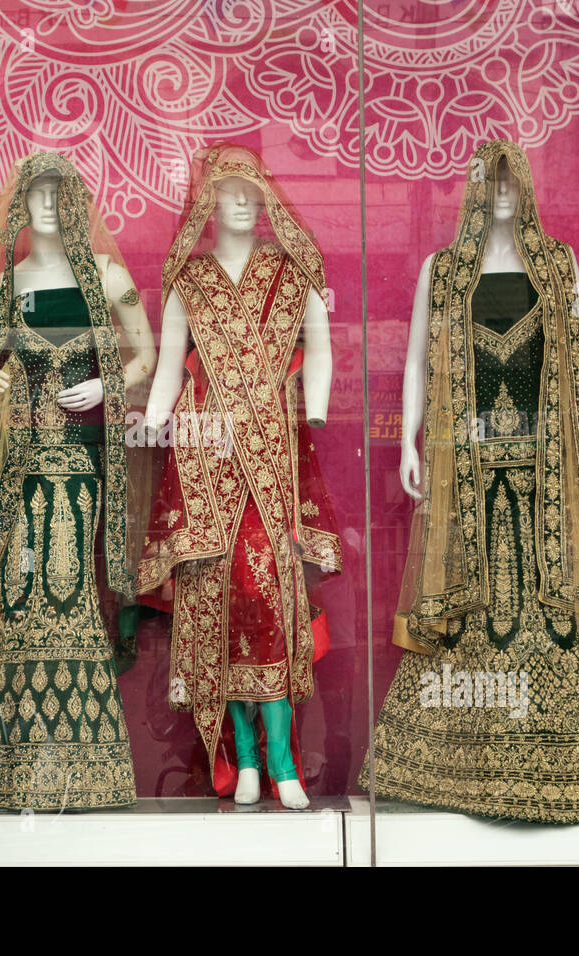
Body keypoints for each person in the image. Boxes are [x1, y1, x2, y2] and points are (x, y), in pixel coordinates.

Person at [361, 140, 579, 823]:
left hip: (543, 473)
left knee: (548, 606)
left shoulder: (555, 263)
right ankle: (460, 772)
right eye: (490, 184)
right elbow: (417, 362)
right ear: (472, 190)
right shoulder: (443, 269)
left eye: (511, 183)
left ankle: (562, 767)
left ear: (527, 190)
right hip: (464, 470)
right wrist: (408, 439)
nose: (501, 196)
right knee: (464, 607)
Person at [137, 144, 342, 809]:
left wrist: (313, 408)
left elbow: (321, 347)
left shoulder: (291, 271)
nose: (243, 207)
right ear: (208, 203)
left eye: (252, 196)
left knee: (271, 600)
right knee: (216, 603)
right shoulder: (189, 280)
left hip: (275, 451)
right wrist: (154, 419)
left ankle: (281, 759)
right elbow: (170, 364)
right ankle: (244, 759)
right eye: (229, 195)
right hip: (205, 454)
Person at [0, 151, 155, 810]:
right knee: (17, 596)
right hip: (20, 468)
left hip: (80, 466)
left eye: (56, 193)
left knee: (69, 594)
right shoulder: (7, 286)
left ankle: (84, 768)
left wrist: (106, 385)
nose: (46, 204)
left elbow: (146, 354)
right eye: (35, 194)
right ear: (20, 205)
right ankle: (13, 768)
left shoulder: (106, 275)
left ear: (72, 203)